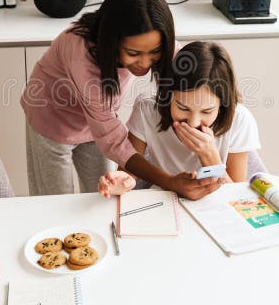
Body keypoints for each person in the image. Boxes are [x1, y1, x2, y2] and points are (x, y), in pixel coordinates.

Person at [22, 0, 177, 195]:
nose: (145, 62)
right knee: (55, 201)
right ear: (111, 42)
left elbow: (191, 62)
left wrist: (223, 90)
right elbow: (112, 137)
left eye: (155, 51)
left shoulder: (147, 39)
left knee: (105, 191)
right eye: (133, 53)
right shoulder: (80, 53)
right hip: (51, 120)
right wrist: (169, 181)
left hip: (96, 123)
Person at [98, 41, 261, 200]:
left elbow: (238, 198)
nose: (193, 122)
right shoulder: (147, 110)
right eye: (183, 108)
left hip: (215, 206)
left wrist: (210, 157)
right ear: (168, 95)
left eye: (207, 111)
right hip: (165, 203)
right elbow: (129, 171)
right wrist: (122, 182)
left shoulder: (240, 120)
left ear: (222, 104)